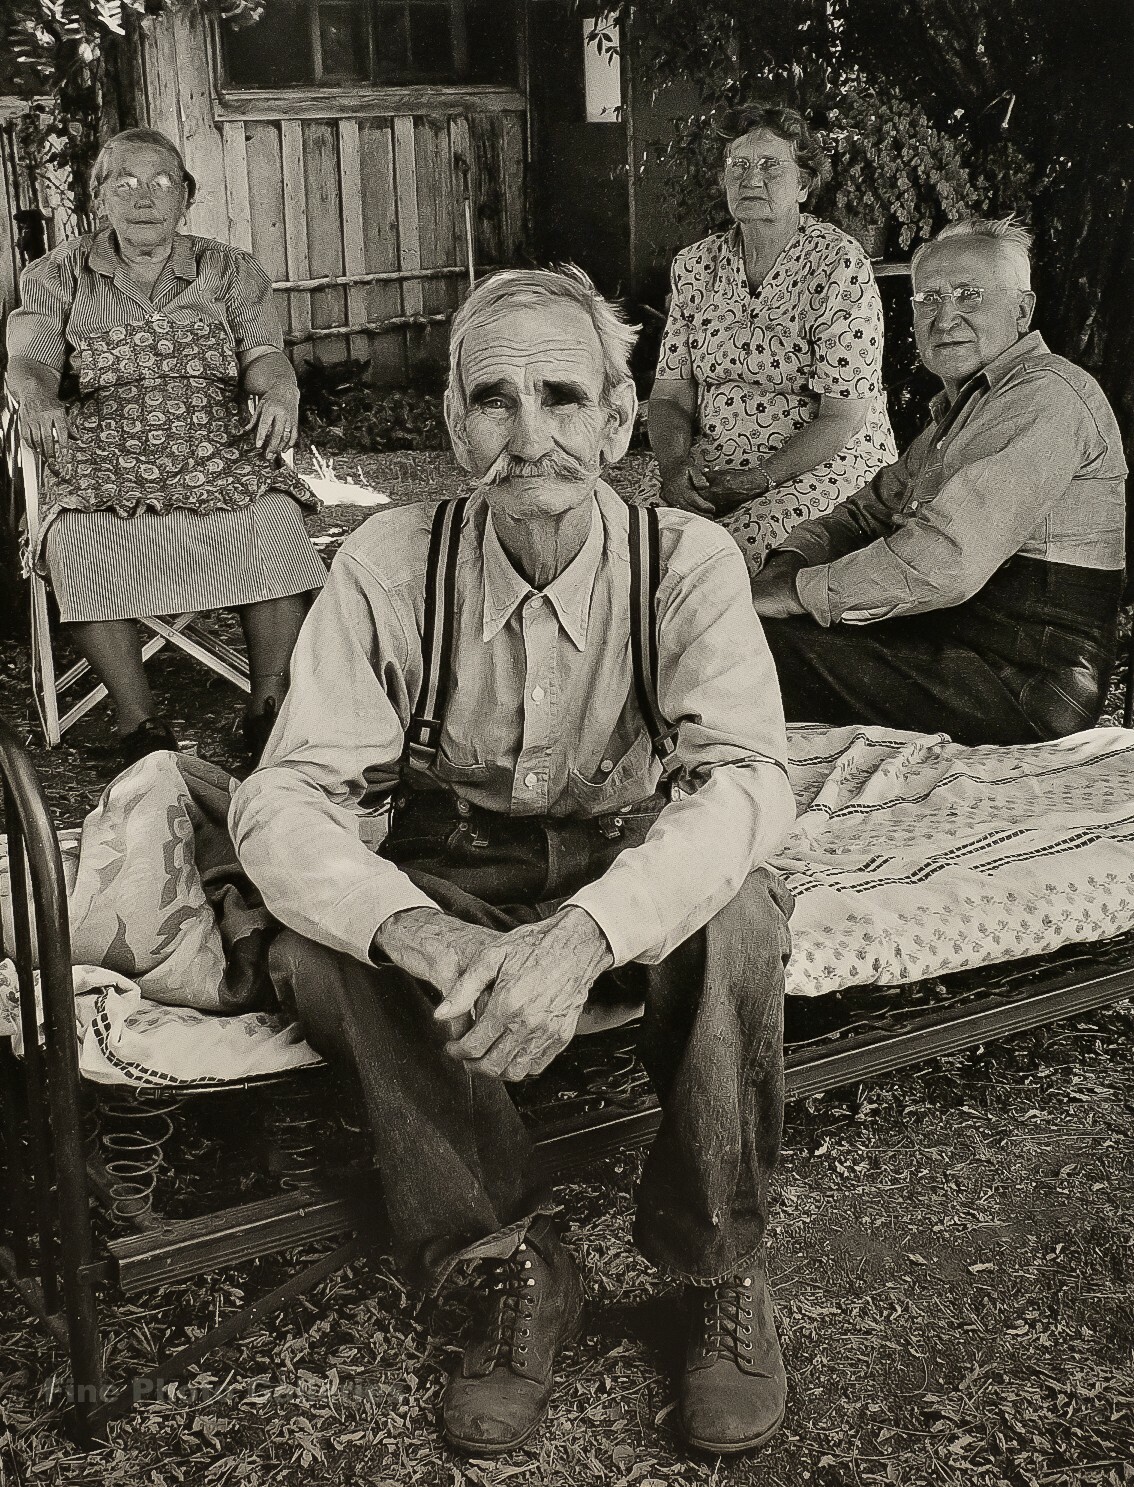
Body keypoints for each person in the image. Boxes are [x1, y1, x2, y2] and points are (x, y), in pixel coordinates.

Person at [230, 266, 798, 1457]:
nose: (530, 436)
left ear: (618, 416)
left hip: (624, 851)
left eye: (561, 395)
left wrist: (585, 936)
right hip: (458, 860)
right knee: (316, 946)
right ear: (452, 424)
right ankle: (509, 1262)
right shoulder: (390, 562)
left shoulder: (686, 562)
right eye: (495, 399)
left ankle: (718, 1265)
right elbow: (285, 797)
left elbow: (746, 779)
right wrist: (423, 933)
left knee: (738, 907)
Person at [5, 127, 326, 764]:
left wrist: (280, 396)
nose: (144, 199)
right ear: (99, 198)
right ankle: (138, 720)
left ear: (185, 197)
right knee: (73, 535)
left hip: (217, 446)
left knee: (274, 517)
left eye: (161, 184)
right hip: (104, 452)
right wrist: (40, 401)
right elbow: (31, 358)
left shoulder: (229, 268)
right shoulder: (54, 274)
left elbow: (265, 354)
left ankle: (267, 702)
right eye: (124, 184)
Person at [751, 216, 1128, 746]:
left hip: (1026, 685)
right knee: (736, 636)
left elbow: (945, 558)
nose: (945, 315)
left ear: (1022, 311)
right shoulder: (963, 409)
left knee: (740, 648)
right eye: (928, 297)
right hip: (957, 644)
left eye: (969, 294)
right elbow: (869, 512)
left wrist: (795, 592)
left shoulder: (1048, 396)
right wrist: (791, 561)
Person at [645, 104, 896, 574]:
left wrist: (761, 478)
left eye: (770, 165)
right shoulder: (696, 266)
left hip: (823, 466)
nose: (750, 178)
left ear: (803, 184)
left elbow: (843, 414)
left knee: (717, 559)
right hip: (715, 467)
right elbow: (669, 395)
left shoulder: (838, 264)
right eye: (737, 166)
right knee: (634, 541)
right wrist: (675, 468)